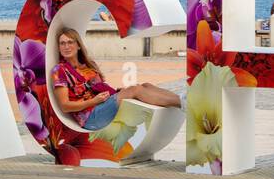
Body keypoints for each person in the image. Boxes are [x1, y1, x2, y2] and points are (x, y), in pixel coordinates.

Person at [51, 27, 181, 131]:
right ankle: (183, 103)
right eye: (62, 43)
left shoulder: (87, 65)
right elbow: (65, 106)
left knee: (146, 85)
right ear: (59, 47)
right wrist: (93, 102)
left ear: (78, 45)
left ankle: (181, 99)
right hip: (90, 117)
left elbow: (98, 88)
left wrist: (117, 93)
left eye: (70, 42)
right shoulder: (60, 70)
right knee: (134, 90)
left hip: (101, 106)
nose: (66, 47)